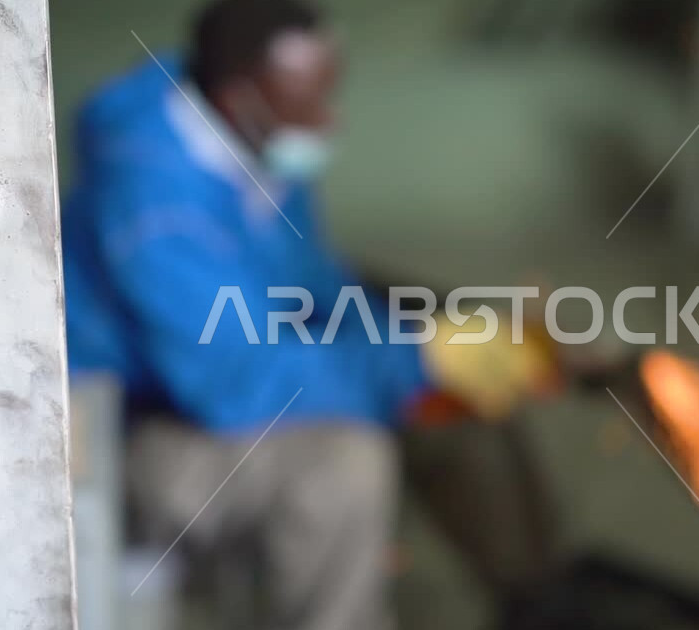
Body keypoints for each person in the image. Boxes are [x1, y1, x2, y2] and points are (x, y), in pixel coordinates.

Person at [61, 1, 442, 628]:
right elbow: (237, 381)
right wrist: (418, 362)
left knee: (447, 415)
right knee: (344, 466)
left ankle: (538, 599)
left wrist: (424, 341)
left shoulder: (252, 145)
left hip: (211, 396)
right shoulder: (152, 207)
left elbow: (317, 285)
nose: (329, 120)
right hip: (127, 442)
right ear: (242, 101)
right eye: (310, 104)